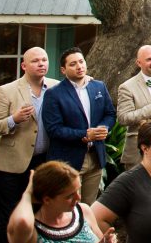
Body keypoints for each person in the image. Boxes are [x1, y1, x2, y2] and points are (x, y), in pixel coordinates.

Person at [0, 47, 59, 243]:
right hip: (12, 164)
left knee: (40, 212)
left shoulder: (57, 87)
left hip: (44, 162)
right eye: (35, 61)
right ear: (24, 66)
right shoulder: (7, 90)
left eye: (44, 60)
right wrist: (14, 119)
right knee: (11, 214)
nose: (41, 63)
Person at [43, 48, 116, 205]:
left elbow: (110, 114)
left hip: (95, 157)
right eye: (73, 64)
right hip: (69, 160)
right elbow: (54, 129)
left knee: (89, 207)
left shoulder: (99, 86)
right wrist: (85, 134)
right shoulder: (54, 94)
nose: (79, 66)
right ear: (63, 70)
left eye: (81, 62)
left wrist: (103, 128)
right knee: (70, 207)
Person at [7, 161, 115, 243]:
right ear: (47, 200)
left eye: (77, 190)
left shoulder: (83, 211)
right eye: (70, 196)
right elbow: (22, 222)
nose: (78, 197)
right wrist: (27, 193)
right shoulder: (32, 230)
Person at [116, 45, 151, 171]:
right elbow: (123, 118)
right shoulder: (127, 87)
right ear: (139, 63)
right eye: (149, 59)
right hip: (139, 150)